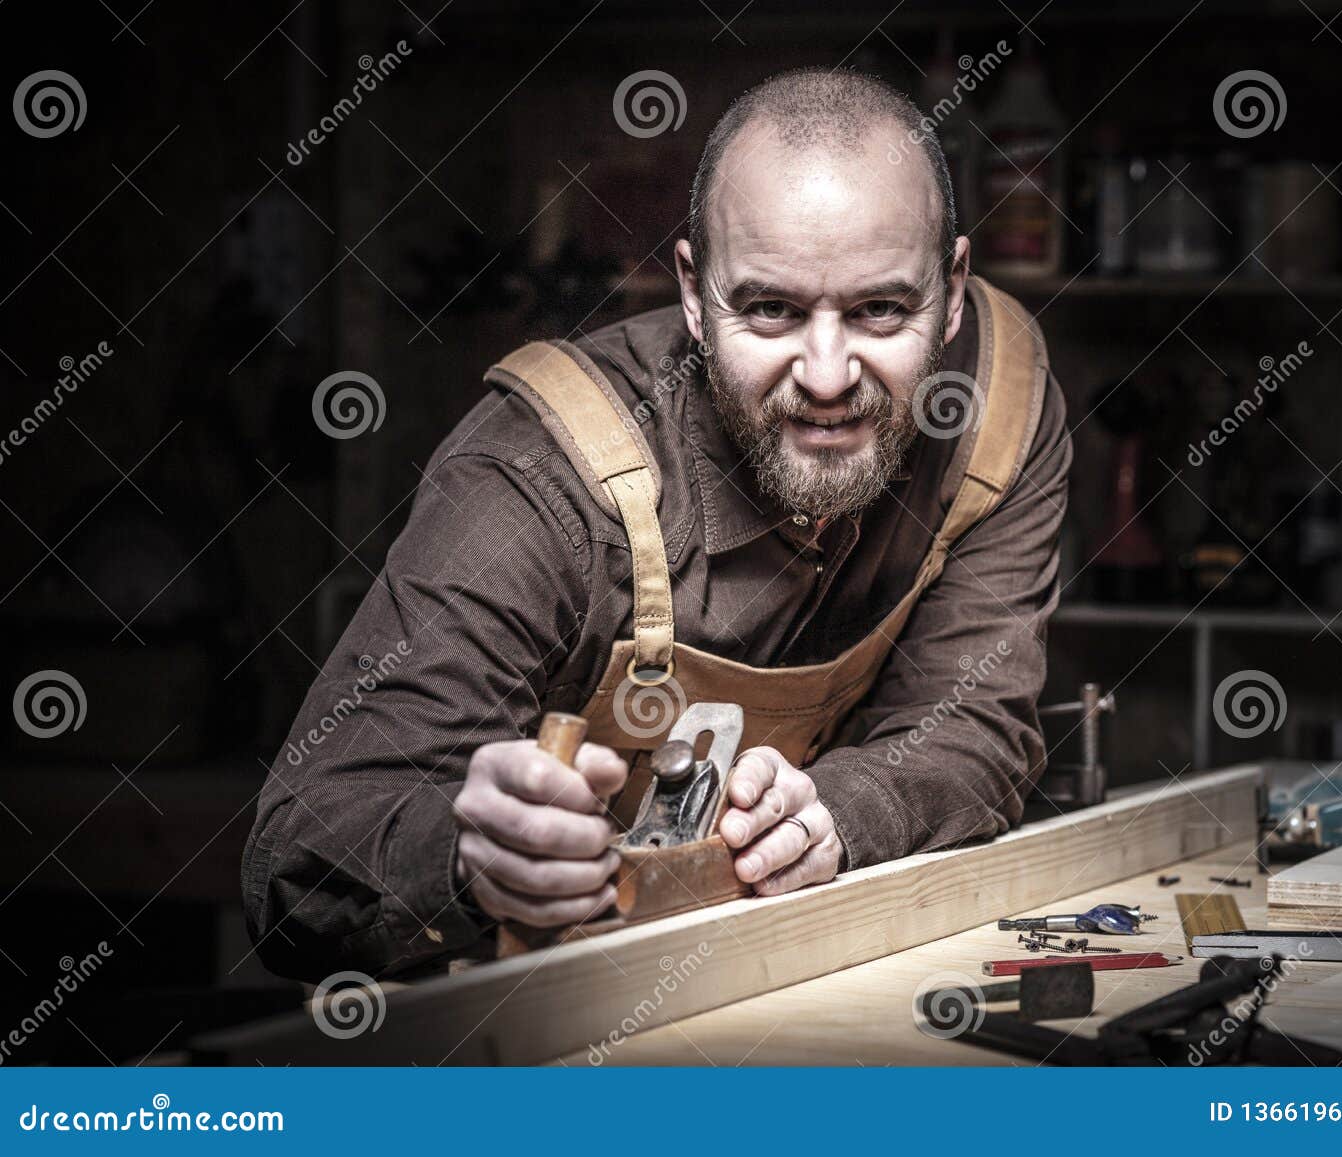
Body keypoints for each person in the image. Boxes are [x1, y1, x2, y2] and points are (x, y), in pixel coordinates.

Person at [242, 66, 1072, 980]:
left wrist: (839, 814)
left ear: (953, 289)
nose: (829, 376)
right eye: (770, 309)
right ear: (692, 289)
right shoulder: (536, 477)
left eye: (880, 308)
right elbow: (295, 858)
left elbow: (975, 725)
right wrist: (469, 860)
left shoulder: (998, 414)